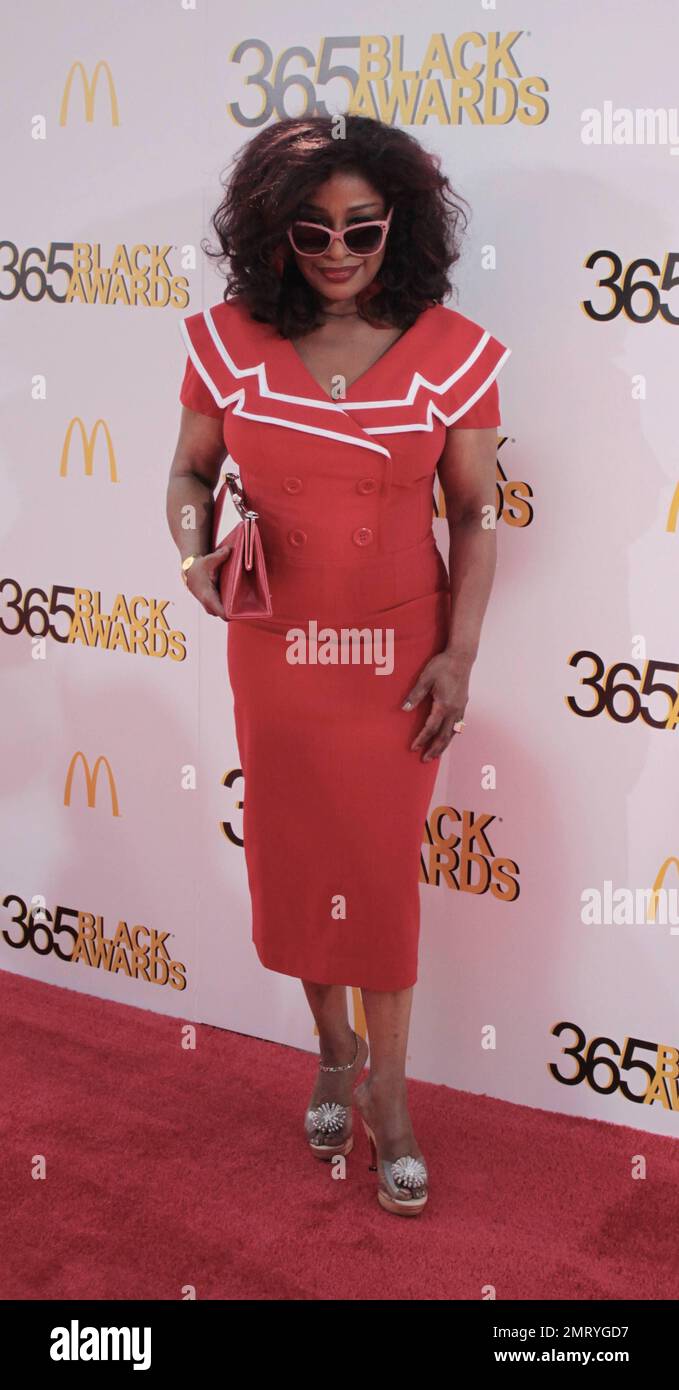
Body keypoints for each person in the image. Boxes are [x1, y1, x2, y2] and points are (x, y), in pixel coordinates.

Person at [166, 114, 510, 1216]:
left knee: (374, 874)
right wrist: (190, 548)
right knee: (297, 855)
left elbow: (475, 513)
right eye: (310, 230)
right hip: (276, 648)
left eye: (360, 229)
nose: (336, 251)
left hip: (397, 655)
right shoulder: (225, 340)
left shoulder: (454, 352)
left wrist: (459, 653)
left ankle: (392, 1105)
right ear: (274, 232)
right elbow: (186, 473)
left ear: (396, 224)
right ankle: (329, 1051)